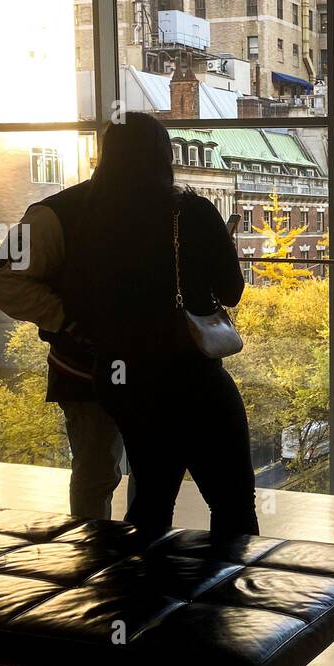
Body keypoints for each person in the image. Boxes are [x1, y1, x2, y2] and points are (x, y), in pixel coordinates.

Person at [61, 112, 257, 541]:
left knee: (151, 498)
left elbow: (77, 300)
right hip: (189, 380)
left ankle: (144, 597)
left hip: (123, 381)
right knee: (233, 501)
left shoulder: (86, 222)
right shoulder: (192, 212)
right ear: (164, 157)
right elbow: (231, 290)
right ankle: (232, 601)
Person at [0, 179, 130, 520]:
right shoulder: (56, 214)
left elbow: (3, 279)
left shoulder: (55, 213)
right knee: (138, 474)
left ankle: (92, 556)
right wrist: (65, 320)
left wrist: (64, 321)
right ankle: (125, 558)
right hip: (100, 369)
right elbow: (2, 279)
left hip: (82, 366)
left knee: (96, 472)